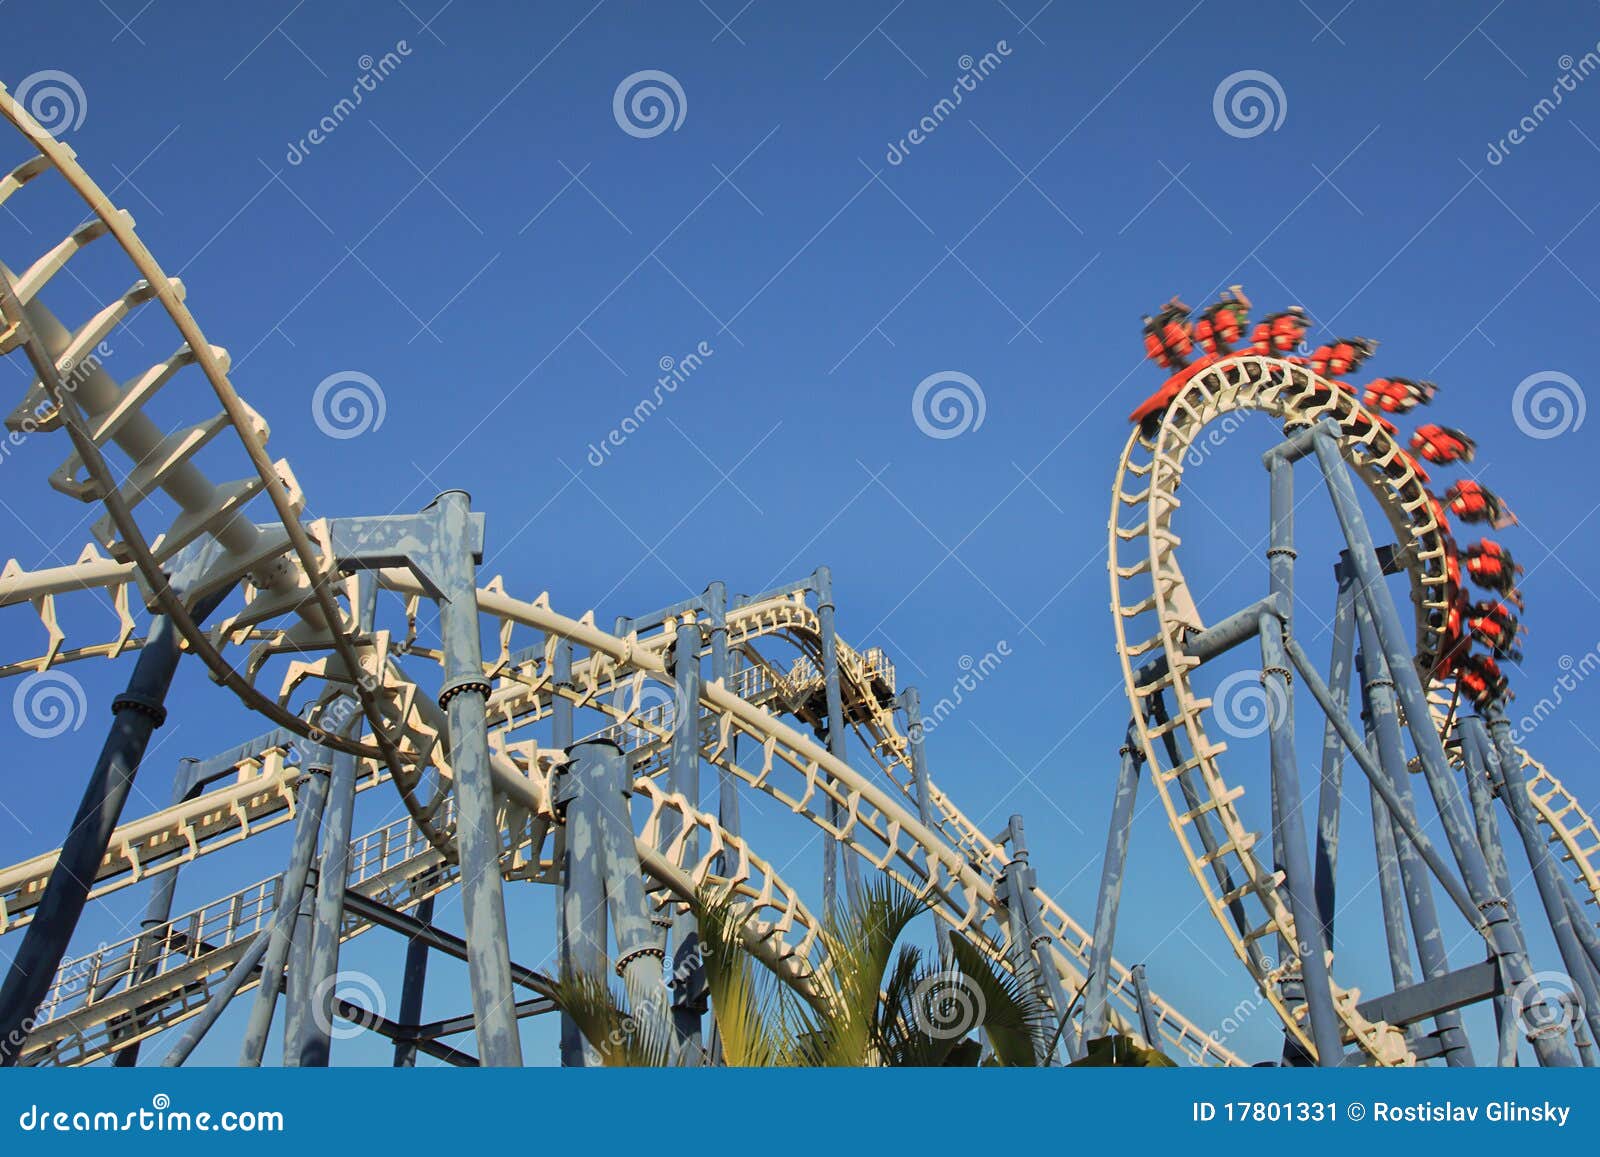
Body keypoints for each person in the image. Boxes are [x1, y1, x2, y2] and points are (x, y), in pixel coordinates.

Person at [1192, 287, 1251, 356]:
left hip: (1212, 328)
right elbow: (1246, 305)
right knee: (1221, 345)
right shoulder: (1235, 311)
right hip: (1215, 327)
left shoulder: (1228, 310)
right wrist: (1237, 291)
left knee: (1218, 346)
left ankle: (1222, 356)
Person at [1444, 479, 1516, 528]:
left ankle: (1505, 515)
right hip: (1469, 504)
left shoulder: (1475, 496)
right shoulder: (1472, 490)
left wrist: (1509, 520)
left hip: (1471, 508)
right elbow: (1495, 525)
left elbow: (1495, 525)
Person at [1309, 337, 1378, 379]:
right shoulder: (1349, 350)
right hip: (1326, 369)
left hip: (1320, 367)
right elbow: (1353, 368)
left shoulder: (1337, 347)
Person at [1411, 423, 1476, 466]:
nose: (1460, 457)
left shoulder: (1451, 458)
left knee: (1414, 455)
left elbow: (1440, 461)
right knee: (1414, 453)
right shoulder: (1459, 443)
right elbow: (1447, 431)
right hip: (1427, 437)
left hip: (1425, 444)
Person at [1363, 377, 1437, 414]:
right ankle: (1430, 387)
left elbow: (1425, 400)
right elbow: (1426, 400)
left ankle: (1429, 387)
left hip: (1397, 387)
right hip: (1397, 388)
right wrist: (1431, 388)